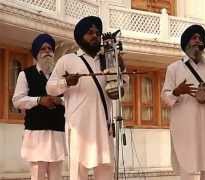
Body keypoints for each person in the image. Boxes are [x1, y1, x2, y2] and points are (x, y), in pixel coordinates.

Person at [46, 16, 126, 180]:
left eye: (97, 33)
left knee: (106, 172)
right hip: (78, 128)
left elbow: (122, 87)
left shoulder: (109, 60)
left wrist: (118, 60)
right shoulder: (68, 60)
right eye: (90, 33)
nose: (95, 36)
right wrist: (66, 82)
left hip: (104, 126)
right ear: (80, 36)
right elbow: (50, 88)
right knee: (78, 173)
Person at [161, 24, 205, 180]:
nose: (198, 41)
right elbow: (165, 95)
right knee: (186, 168)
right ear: (186, 43)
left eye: (200, 38)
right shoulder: (174, 68)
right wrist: (178, 91)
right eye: (194, 38)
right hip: (185, 127)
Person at [12, 33, 66, 180]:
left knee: (56, 176)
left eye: (50, 48)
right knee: (38, 176)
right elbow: (17, 100)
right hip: (36, 134)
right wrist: (39, 100)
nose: (47, 51)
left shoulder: (61, 76)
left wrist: (60, 101)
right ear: (36, 53)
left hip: (57, 133)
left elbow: (71, 100)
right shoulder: (26, 74)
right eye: (43, 49)